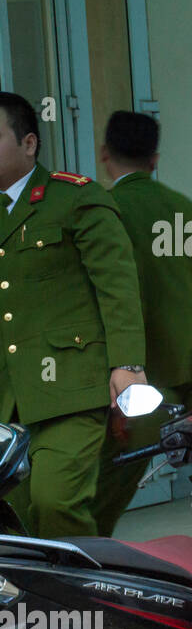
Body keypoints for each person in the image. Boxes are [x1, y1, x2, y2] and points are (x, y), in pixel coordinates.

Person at [0, 92, 147, 537]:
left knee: (55, 501)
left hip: (70, 388)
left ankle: (85, 603)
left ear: (29, 143)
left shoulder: (74, 199)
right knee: (17, 518)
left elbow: (116, 286)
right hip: (8, 396)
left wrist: (128, 364)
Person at [90, 111, 192, 537]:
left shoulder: (103, 210)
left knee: (107, 478)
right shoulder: (184, 207)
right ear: (155, 159)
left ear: (104, 155)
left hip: (146, 374)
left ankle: (78, 564)